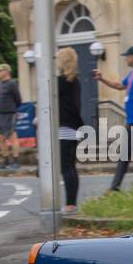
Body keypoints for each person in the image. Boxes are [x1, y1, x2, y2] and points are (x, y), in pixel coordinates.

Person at [94, 45, 133, 191]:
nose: (126, 58)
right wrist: (102, 79)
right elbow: (120, 85)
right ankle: (124, 187)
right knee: (128, 155)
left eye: (127, 56)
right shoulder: (132, 74)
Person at [56, 48, 84, 213]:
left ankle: (70, 204)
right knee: (70, 166)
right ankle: (71, 202)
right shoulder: (75, 81)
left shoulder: (60, 82)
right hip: (74, 127)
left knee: (66, 167)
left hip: (64, 127)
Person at [0, 64, 23, 171]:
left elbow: (18, 99)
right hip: (0, 115)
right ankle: (5, 160)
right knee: (0, 138)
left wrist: (14, 110)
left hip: (9, 114)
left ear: (6, 71)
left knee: (12, 137)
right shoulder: (0, 84)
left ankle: (16, 161)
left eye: (0, 70)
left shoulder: (12, 83)